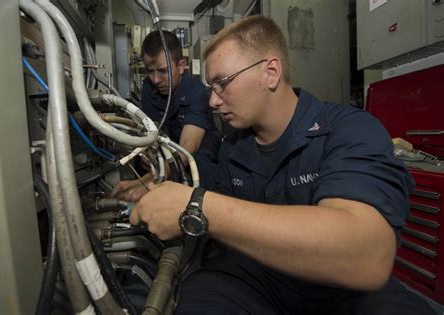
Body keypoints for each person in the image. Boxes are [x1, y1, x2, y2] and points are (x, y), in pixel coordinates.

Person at [128, 16, 436, 314]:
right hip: (261, 279)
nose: (213, 101)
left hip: (344, 290)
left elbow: (366, 256)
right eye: (211, 87)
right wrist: (160, 186)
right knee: (197, 294)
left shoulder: (351, 130)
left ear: (271, 72)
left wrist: (199, 207)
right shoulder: (232, 147)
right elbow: (208, 187)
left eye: (222, 83)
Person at [111, 30, 218, 201]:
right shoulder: (149, 88)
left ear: (181, 66)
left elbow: (187, 148)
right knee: (142, 159)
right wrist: (148, 156)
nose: (155, 79)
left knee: (198, 161)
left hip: (196, 148)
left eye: (162, 71)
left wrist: (147, 182)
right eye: (150, 71)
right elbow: (150, 132)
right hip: (169, 147)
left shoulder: (197, 92)